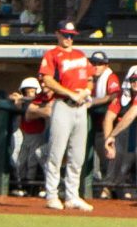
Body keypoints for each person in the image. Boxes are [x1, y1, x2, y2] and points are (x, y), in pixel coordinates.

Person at [37, 22, 97, 211]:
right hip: (63, 104)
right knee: (56, 152)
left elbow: (90, 80)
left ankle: (72, 196)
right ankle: (52, 195)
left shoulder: (80, 55)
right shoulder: (52, 54)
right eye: (65, 34)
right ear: (58, 34)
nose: (68, 38)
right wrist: (70, 93)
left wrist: (85, 92)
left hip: (80, 106)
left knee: (77, 155)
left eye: (71, 35)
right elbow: (47, 79)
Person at [99, 64, 137, 200]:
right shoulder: (123, 94)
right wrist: (109, 141)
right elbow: (108, 118)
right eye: (133, 79)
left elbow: (130, 115)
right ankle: (108, 187)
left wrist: (112, 135)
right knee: (117, 151)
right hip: (129, 133)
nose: (136, 82)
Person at [9, 74, 51, 190]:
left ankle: (30, 186)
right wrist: (18, 99)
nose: (29, 94)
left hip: (37, 135)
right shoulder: (22, 101)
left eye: (32, 91)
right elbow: (12, 97)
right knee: (20, 161)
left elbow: (37, 101)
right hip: (25, 135)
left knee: (32, 162)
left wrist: (23, 99)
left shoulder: (40, 101)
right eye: (26, 91)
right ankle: (21, 185)